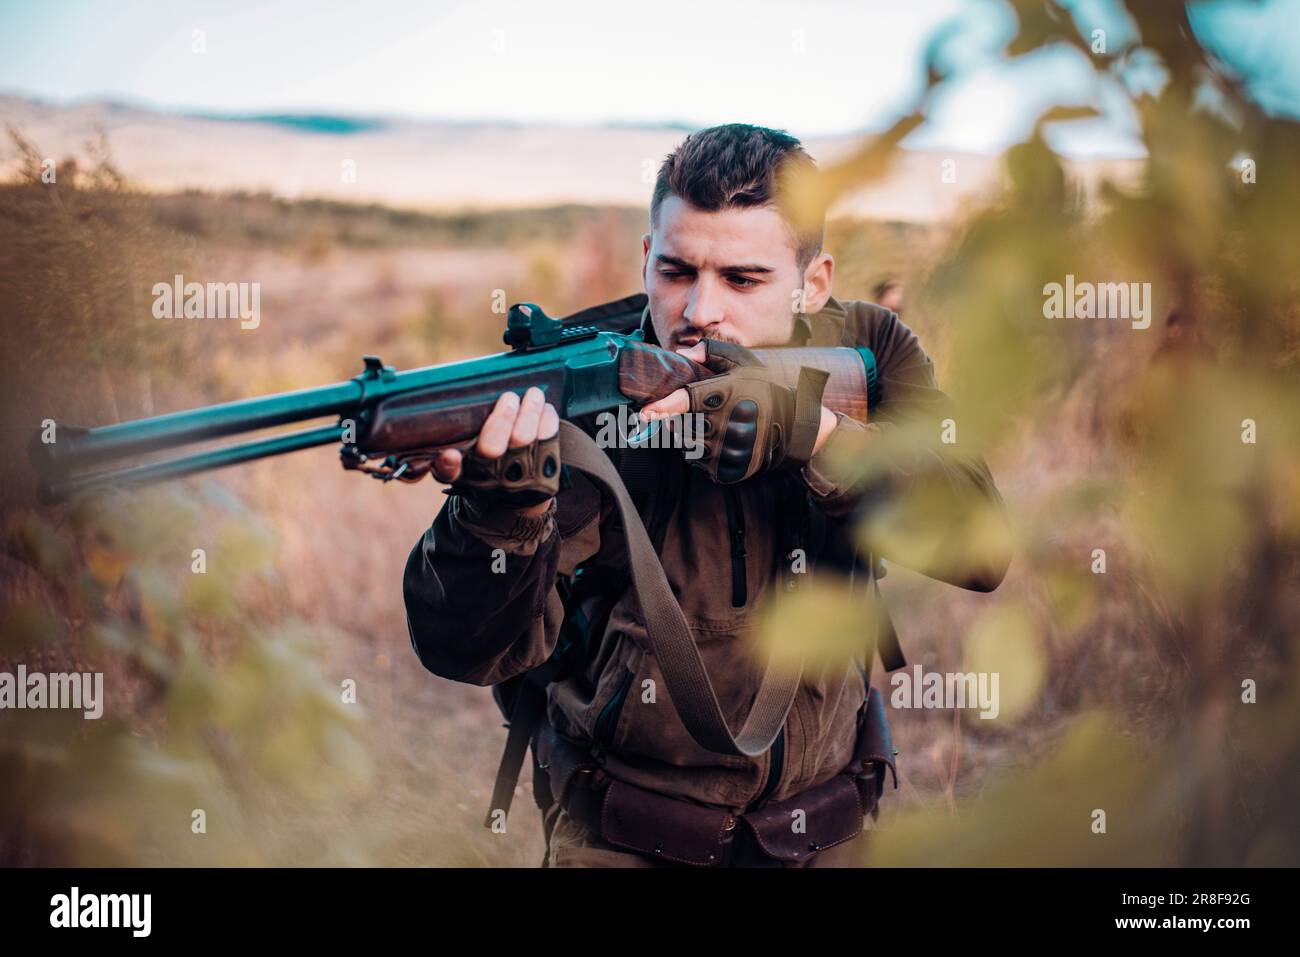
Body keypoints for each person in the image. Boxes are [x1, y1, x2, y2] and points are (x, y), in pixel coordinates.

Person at [403, 123, 1011, 867]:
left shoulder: (871, 348)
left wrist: (814, 436)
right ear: (646, 258)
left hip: (837, 832)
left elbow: (982, 549)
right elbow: (465, 648)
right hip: (624, 840)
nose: (699, 311)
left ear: (812, 282)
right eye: (677, 270)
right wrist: (499, 515)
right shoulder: (587, 386)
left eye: (743, 279)